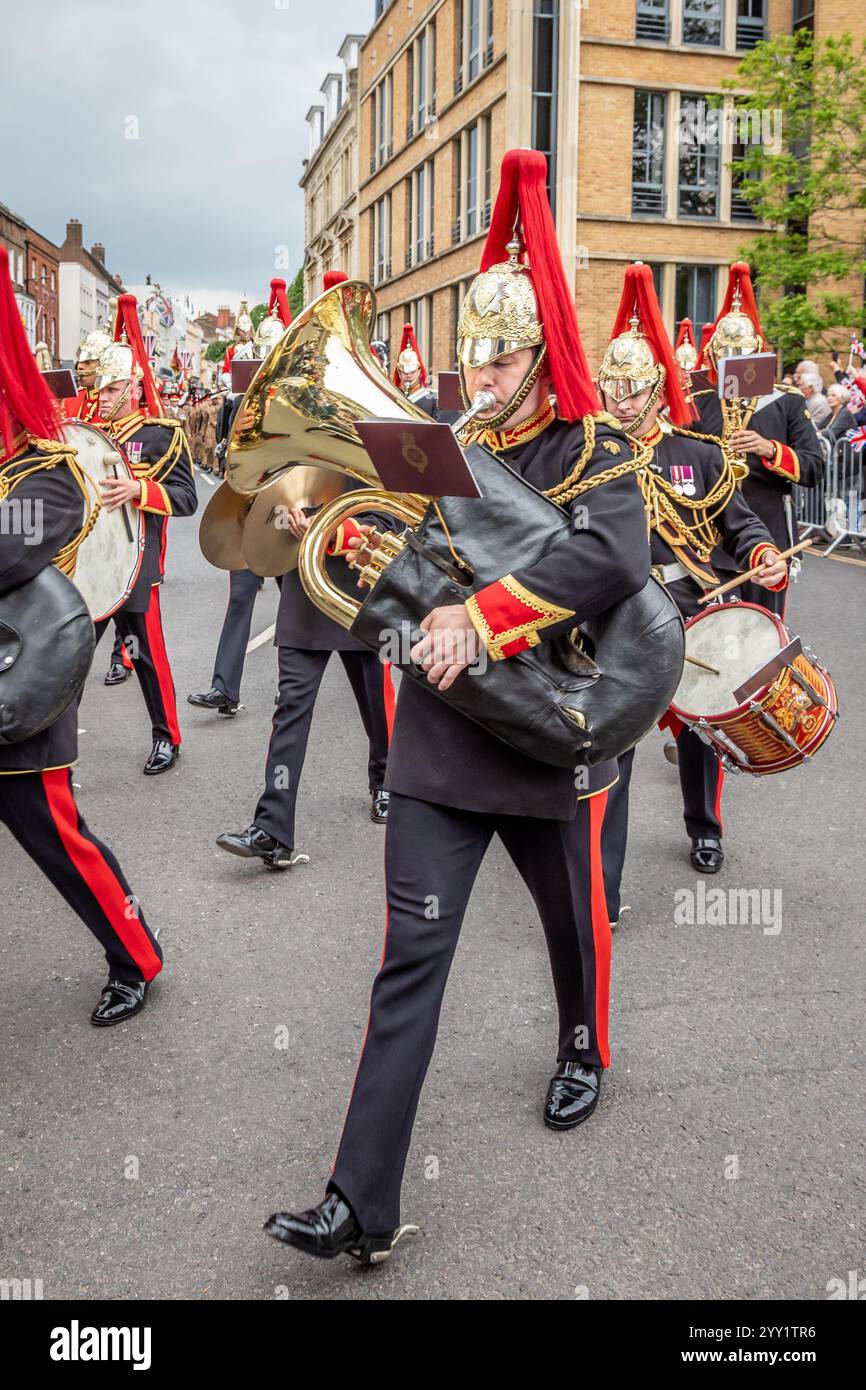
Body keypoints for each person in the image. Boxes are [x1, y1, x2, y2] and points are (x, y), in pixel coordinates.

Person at [264, 148, 652, 1265]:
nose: (482, 382)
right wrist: (311, 519)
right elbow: (379, 542)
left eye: (501, 362)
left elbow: (611, 558)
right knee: (409, 968)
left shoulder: (592, 447)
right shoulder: (441, 442)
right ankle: (361, 1201)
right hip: (440, 742)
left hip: (543, 733)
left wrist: (486, 615)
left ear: (540, 355)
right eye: (474, 363)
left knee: (569, 928)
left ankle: (580, 1046)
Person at [0, 249, 162, 1025]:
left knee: (57, 841)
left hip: (22, 687)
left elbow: (9, 549)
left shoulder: (52, 472)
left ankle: (134, 953)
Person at [596, 265, 786, 893]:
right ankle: (604, 882)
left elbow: (741, 523)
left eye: (632, 390)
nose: (621, 401)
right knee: (612, 744)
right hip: (618, 610)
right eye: (611, 389)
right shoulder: (587, 458)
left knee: (702, 723)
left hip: (691, 602)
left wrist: (761, 552)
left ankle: (704, 827)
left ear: (655, 390)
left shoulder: (696, 454)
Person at [213, 273, 394, 863]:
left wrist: (331, 525)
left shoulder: (378, 433)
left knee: (377, 708)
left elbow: (397, 518)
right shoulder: (291, 433)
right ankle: (274, 827)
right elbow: (255, 502)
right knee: (290, 708)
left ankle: (385, 780)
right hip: (305, 590)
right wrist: (283, 519)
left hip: (359, 589)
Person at [88, 294, 199, 774]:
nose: (102, 398)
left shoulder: (161, 434)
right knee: (68, 660)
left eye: (111, 390)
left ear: (132, 388)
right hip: (89, 565)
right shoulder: (86, 431)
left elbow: (187, 499)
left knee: (148, 657)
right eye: (101, 390)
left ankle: (166, 737)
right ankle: (49, 752)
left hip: (135, 564)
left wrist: (139, 488)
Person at [691, 264, 823, 617]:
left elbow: (813, 468)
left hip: (766, 529)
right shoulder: (698, 400)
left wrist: (770, 450)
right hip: (708, 535)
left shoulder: (786, 400)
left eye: (741, 356)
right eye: (725, 356)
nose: (732, 364)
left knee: (762, 634)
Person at [189, 279, 294, 717]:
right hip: (250, 508)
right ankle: (224, 688)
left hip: (289, 510)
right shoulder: (236, 401)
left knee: (295, 605)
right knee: (239, 599)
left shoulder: (296, 399)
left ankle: (292, 688)